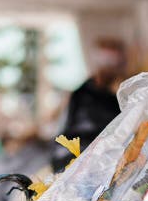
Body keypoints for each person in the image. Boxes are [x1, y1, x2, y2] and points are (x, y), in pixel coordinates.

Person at [52, 38, 127, 171]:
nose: (111, 67)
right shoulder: (82, 94)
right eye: (108, 61)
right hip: (78, 157)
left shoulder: (116, 93)